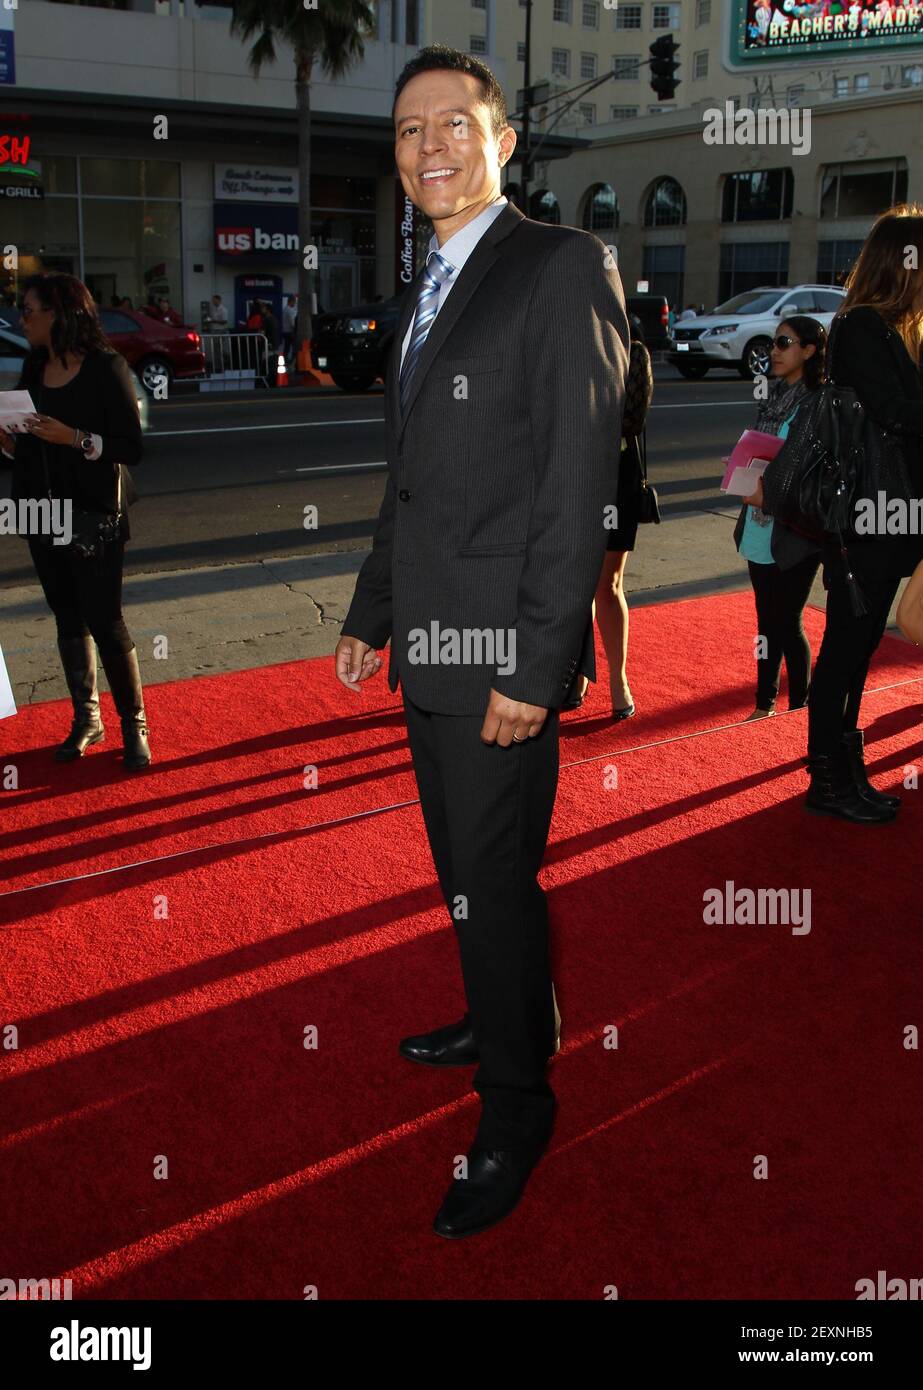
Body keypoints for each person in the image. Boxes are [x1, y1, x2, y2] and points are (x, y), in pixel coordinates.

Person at [333, 46, 627, 1239]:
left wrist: (534, 660)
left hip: (501, 651)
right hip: (431, 644)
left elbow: (577, 480)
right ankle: (497, 1009)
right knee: (464, 871)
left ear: (504, 140)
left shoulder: (558, 267)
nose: (429, 146)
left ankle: (514, 1103)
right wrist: (371, 606)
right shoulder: (421, 293)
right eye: (407, 131)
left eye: (455, 122)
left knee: (494, 877)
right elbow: (415, 482)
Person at [762, 203, 923, 823]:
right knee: (846, 652)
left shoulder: (893, 328)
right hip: (866, 514)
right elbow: (890, 412)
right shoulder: (861, 327)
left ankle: (844, 771)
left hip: (890, 513)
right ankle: (829, 779)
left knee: (857, 652)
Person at [0, 272, 150, 770]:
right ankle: (87, 719)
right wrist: (10, 441)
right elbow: (29, 439)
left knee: (106, 621)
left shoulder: (107, 368)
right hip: (39, 510)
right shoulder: (33, 364)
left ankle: (134, 724)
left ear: (60, 314)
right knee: (67, 617)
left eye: (30, 309)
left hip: (93, 514)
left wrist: (77, 438)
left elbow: (131, 446)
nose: (23, 318)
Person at [735, 317, 824, 720]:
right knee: (766, 619)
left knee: (787, 621)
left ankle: (800, 705)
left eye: (784, 343)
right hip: (758, 522)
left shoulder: (816, 403)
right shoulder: (772, 397)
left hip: (795, 527)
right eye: (774, 342)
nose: (774, 350)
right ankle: (763, 702)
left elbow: (809, 469)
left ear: (808, 351)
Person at [565, 312, 653, 718]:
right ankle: (579, 671)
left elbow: (631, 417)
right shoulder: (568, 345)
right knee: (576, 583)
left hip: (617, 478)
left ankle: (618, 678)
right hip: (572, 476)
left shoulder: (633, 350)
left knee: (607, 582)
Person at [282, 294, 298, 363]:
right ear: (291, 301)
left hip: (285, 331)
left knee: (287, 347)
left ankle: (285, 360)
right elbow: (292, 323)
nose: (295, 304)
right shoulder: (290, 310)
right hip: (290, 332)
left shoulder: (285, 309)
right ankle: (292, 361)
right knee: (294, 347)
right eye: (294, 302)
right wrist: (296, 328)